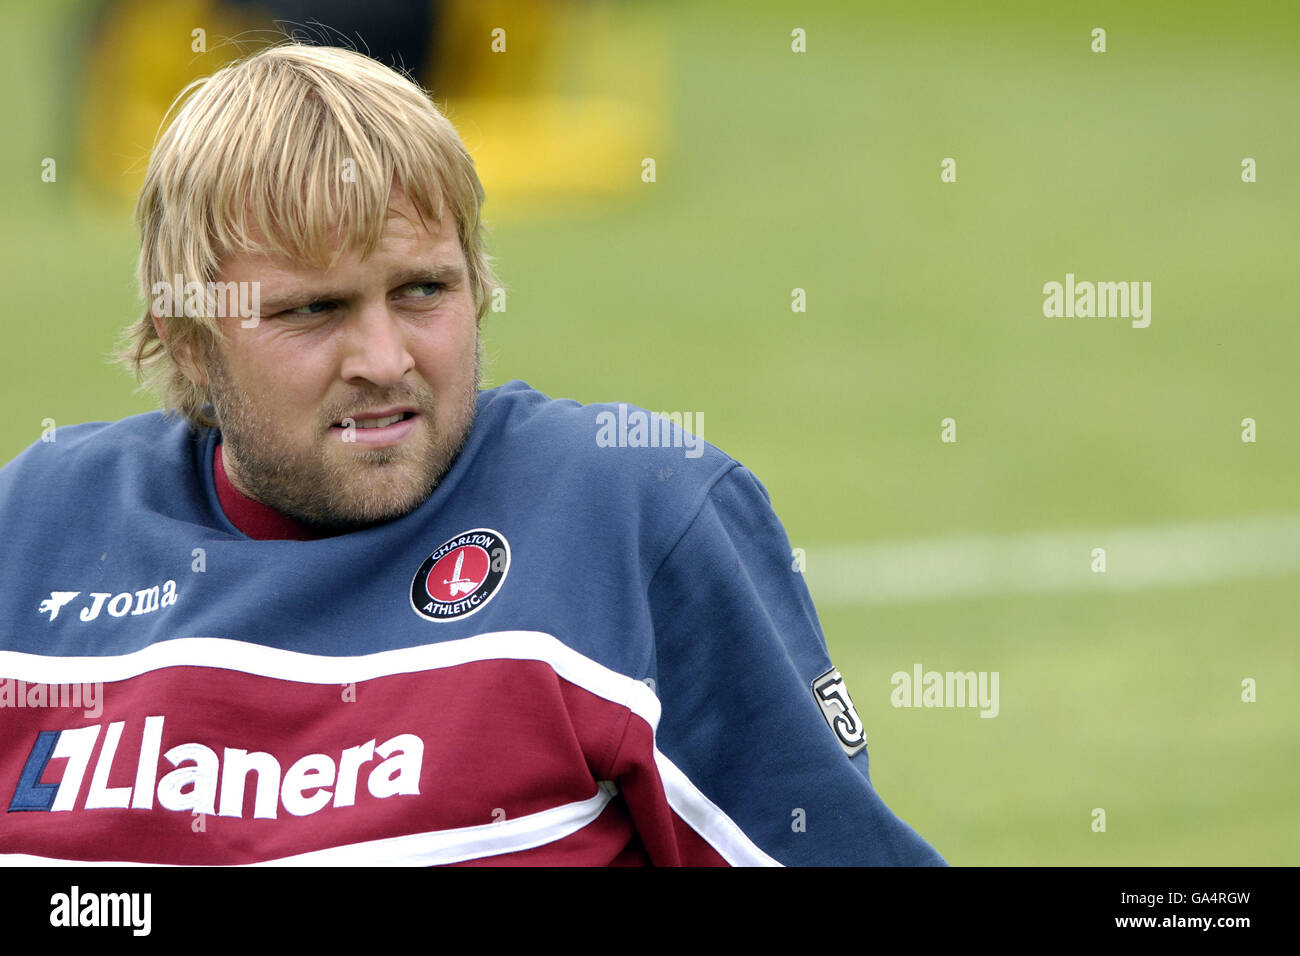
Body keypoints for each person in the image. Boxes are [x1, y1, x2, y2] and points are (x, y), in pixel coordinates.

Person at [0, 43, 944, 866]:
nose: (384, 361)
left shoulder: (628, 515)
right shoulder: (37, 529)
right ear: (192, 339)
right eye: (313, 310)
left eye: (421, 291)